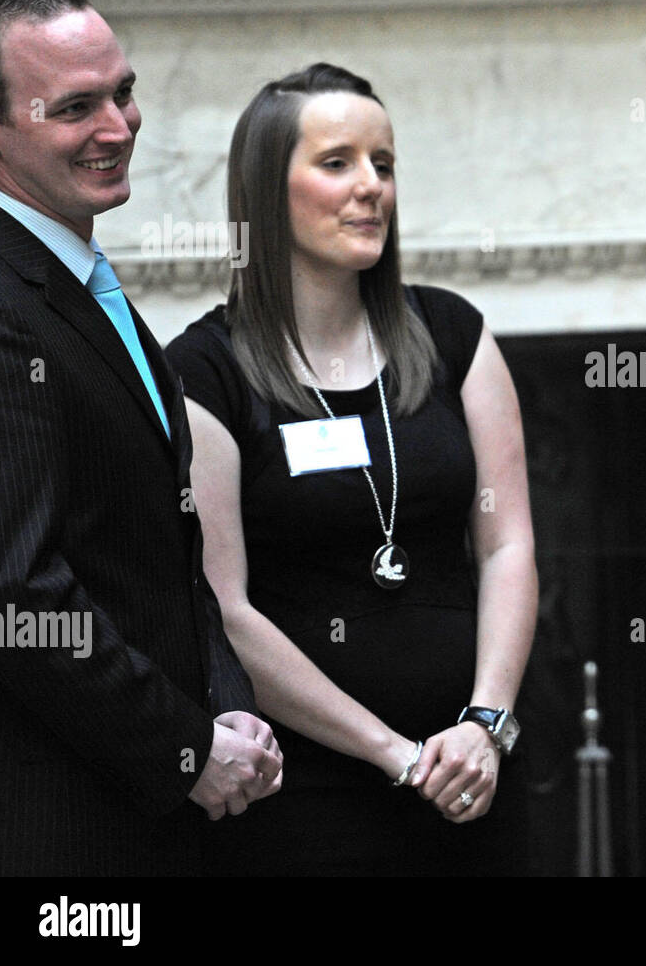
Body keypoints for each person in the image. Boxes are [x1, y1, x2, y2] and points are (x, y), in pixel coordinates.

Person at [166, 63, 538, 876]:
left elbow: (508, 544)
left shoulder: (453, 333)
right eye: (338, 162)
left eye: (384, 163)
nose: (371, 186)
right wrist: (394, 753)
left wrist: (486, 723)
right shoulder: (206, 370)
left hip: (471, 772)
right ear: (269, 189)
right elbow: (224, 608)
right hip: (305, 792)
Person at [0, 0, 282, 877]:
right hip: (61, 828)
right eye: (76, 108)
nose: (118, 129)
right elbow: (15, 595)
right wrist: (183, 747)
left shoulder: (79, 280)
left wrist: (225, 708)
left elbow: (166, 546)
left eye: (124, 93)